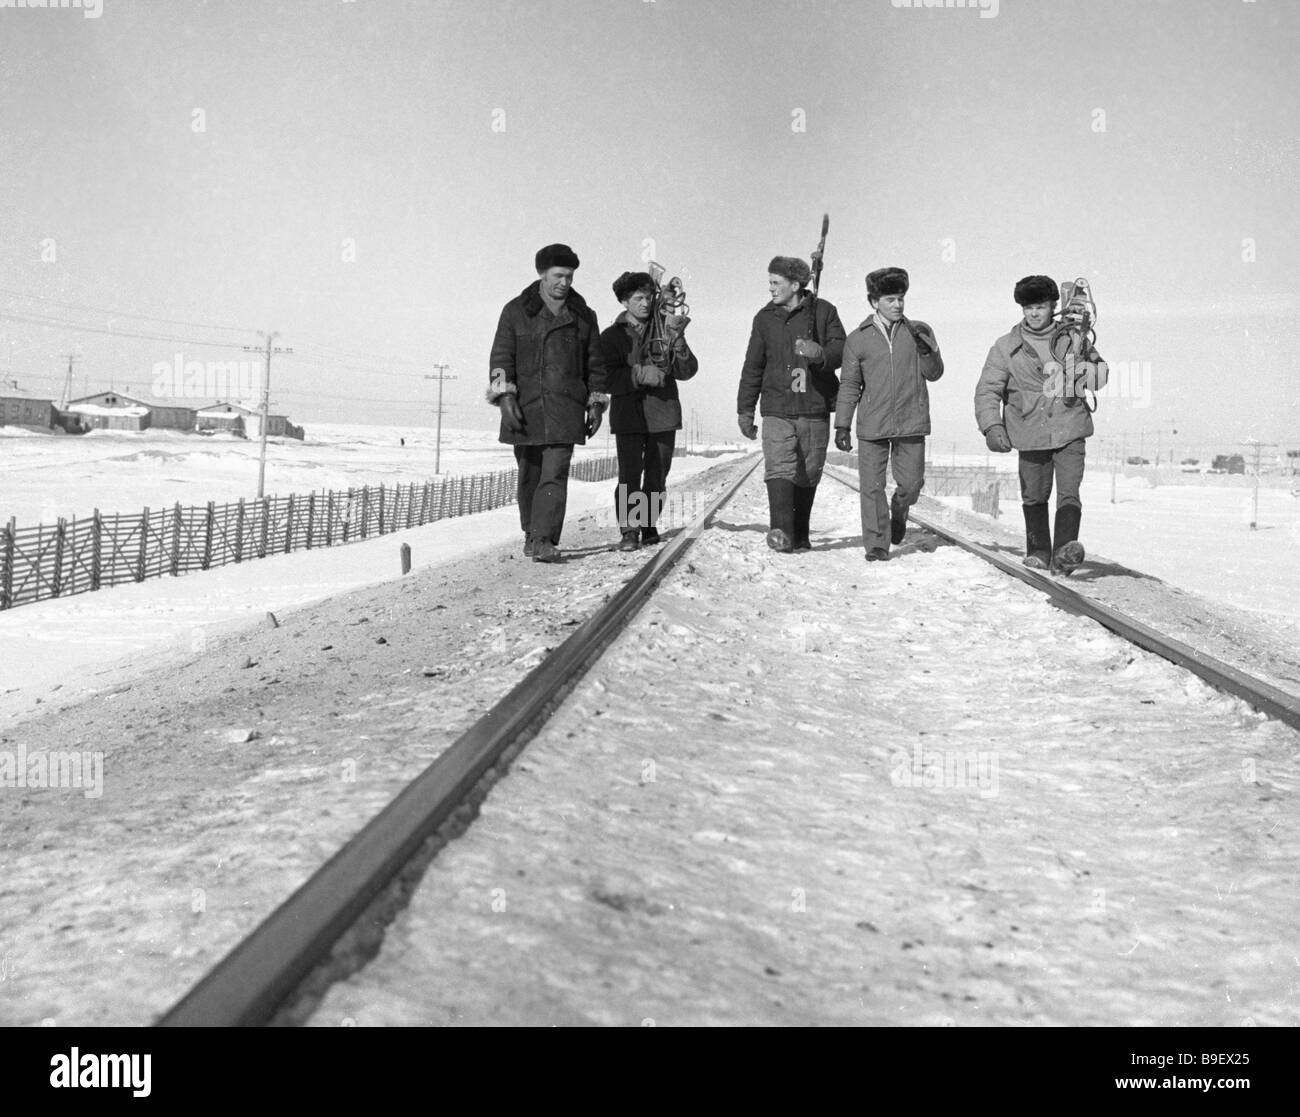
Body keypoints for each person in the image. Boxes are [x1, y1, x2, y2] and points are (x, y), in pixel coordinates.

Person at [974, 275, 1108, 572]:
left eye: (1041, 306)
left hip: (1070, 425)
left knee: (1069, 491)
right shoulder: (1006, 347)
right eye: (1028, 307)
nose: (1034, 313)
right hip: (1028, 429)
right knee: (1034, 494)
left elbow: (1101, 374)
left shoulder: (1073, 337)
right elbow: (987, 390)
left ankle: (1063, 554)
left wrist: (1081, 372)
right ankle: (1038, 550)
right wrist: (992, 426)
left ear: (1053, 306)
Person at [488, 243, 609, 563]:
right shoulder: (515, 311)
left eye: (570, 276)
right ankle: (532, 532)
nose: (565, 283)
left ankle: (544, 537)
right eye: (558, 276)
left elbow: (595, 364)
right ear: (542, 274)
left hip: (566, 409)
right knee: (530, 473)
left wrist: (596, 402)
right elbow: (501, 357)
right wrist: (504, 396)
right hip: (525, 408)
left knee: (555, 472)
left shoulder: (584, 316)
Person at [834, 267, 944, 561]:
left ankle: (900, 508)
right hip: (872, 423)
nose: (897, 305)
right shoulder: (858, 339)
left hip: (911, 421)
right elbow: (849, 384)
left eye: (901, 299)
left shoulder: (919, 330)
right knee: (871, 487)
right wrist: (842, 425)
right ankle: (877, 544)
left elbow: (935, 374)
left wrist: (927, 351)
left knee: (911, 484)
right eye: (890, 300)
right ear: (874, 302)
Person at [737, 256, 845, 552]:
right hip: (777, 408)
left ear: (795, 285)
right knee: (779, 467)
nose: (770, 288)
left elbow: (842, 349)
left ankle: (800, 532)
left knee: (809, 472)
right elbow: (752, 366)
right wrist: (745, 409)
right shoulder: (764, 319)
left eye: (776, 283)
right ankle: (781, 531)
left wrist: (821, 353)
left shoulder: (824, 312)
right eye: (769, 282)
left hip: (814, 407)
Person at [598, 271, 698, 551]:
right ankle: (629, 530)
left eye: (648, 297)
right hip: (629, 415)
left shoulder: (666, 328)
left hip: (663, 414)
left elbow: (687, 371)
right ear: (624, 301)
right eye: (637, 298)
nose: (644, 303)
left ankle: (648, 523)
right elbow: (604, 377)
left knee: (657, 475)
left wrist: (677, 338)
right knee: (629, 474)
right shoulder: (612, 336)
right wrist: (639, 375)